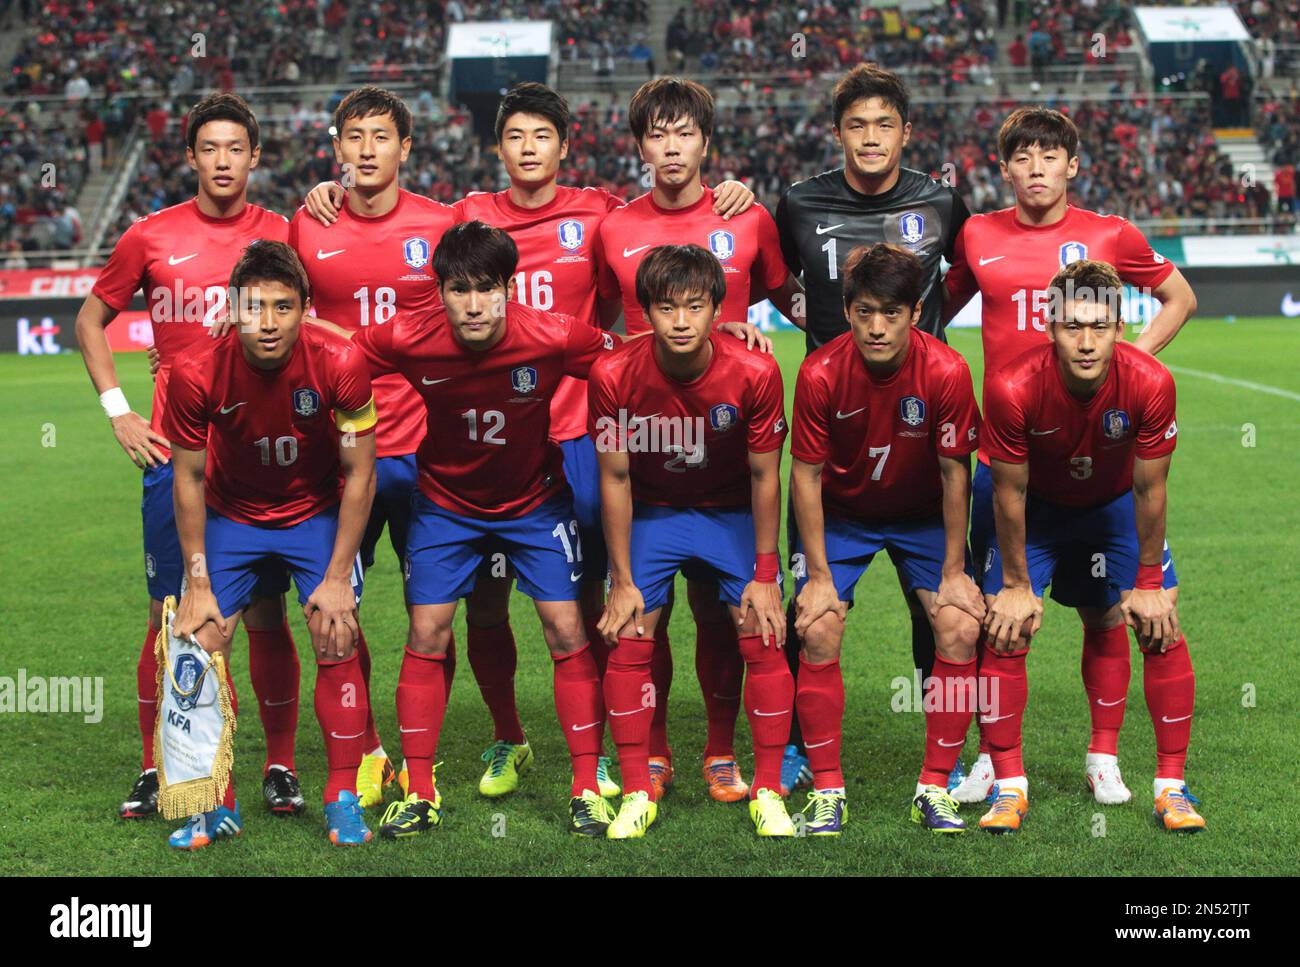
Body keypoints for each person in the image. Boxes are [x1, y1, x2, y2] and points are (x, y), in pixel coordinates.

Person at [302, 81, 760, 803]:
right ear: (496, 147)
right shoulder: (470, 217)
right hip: (493, 449)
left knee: (604, 600)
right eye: (513, 136)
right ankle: (510, 733)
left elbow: (676, 263)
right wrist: (339, 188)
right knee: (485, 605)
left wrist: (729, 214)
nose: (527, 149)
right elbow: (411, 241)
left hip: (591, 436)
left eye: (541, 136)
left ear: (564, 144)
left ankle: (622, 751)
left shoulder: (605, 213)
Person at [324, 220, 621, 838]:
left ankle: (587, 785)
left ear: (510, 288)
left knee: (567, 627)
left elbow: (630, 360)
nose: (475, 303)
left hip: (534, 501)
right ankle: (421, 788)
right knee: (427, 630)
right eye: (460, 289)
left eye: (487, 288)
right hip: (445, 504)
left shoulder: (552, 333)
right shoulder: (411, 335)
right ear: (440, 292)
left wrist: (721, 339)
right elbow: (345, 351)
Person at [943, 107, 1197, 806]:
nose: (1036, 168)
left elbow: (1178, 296)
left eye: (1049, 156)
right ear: (1004, 169)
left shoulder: (1109, 235)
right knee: (1001, 616)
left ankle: (1103, 757)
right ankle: (997, 761)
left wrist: (1131, 364)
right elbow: (935, 307)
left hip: (1101, 448)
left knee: (1106, 613)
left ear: (1073, 165)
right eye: (1021, 156)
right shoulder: (977, 232)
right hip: (1012, 451)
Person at [75, 92, 307, 822]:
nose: (223, 160)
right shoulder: (150, 237)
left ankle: (280, 764)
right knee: (168, 610)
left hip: (264, 457)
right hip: (177, 453)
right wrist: (119, 413)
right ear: (191, 157)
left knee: (266, 612)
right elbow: (90, 318)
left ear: (255, 156)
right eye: (210, 148)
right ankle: (157, 765)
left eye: (236, 148)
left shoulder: (284, 232)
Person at [596, 76, 802, 803]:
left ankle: (721, 751)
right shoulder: (614, 227)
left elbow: (790, 299)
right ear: (642, 144)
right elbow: (595, 321)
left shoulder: (747, 218)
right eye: (658, 133)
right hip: (644, 454)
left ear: (706, 143)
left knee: (724, 613)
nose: (672, 146)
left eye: (685, 132)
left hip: (726, 453)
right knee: (634, 614)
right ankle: (648, 751)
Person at [774, 62, 970, 795]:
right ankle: (795, 744)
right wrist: (805, 324)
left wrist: (935, 330)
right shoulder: (798, 202)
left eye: (884, 124)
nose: (870, 138)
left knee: (944, 615)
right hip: (838, 405)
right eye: (856, 125)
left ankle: (944, 745)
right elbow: (770, 274)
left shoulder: (941, 199)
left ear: (906, 132)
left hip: (921, 411)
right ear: (837, 134)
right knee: (810, 609)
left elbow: (971, 267)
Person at [977, 258, 1204, 835]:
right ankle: (1008, 786)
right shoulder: (1011, 386)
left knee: (1159, 623)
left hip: (1113, 508)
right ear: (1049, 327)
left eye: (1099, 326)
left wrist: (1150, 584)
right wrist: (1015, 586)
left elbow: (1151, 489)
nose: (1085, 341)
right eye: (1072, 326)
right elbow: (1009, 492)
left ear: (1120, 328)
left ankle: (1164, 784)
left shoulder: (1151, 382)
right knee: (1004, 627)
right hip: (1039, 512)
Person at [164, 240, 378, 848]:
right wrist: (198, 582)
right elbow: (188, 478)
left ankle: (341, 796)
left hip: (312, 513)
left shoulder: (340, 361)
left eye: (282, 307)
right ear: (231, 308)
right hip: (232, 516)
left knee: (335, 631)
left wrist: (338, 577)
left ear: (305, 309)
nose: (267, 322)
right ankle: (213, 802)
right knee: (200, 640)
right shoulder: (194, 370)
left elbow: (361, 474)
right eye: (253, 307)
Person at [288, 86, 456, 808]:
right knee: (335, 608)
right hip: (338, 451)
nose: (365, 149)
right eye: (352, 136)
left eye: (380, 137)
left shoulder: (445, 226)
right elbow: (271, 309)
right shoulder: (306, 223)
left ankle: (423, 758)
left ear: (406, 148)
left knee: (433, 617)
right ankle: (369, 749)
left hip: (426, 448)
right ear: (336, 147)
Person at [590, 244, 794, 838]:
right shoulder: (612, 375)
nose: (681, 321)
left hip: (727, 513)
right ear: (645, 311)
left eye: (695, 307)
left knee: (760, 628)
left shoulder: (755, 371)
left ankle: (764, 784)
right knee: (630, 631)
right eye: (666, 307)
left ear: (717, 309)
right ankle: (638, 784)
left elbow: (764, 475)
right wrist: (622, 581)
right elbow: (615, 476)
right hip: (653, 512)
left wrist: (764, 572)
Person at [791, 243, 983, 836]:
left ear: (917, 311)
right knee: (817, 626)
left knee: (958, 625)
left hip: (921, 515)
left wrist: (954, 572)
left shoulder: (946, 371)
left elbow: (957, 474)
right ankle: (827, 789)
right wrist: (819, 577)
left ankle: (936, 785)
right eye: (865, 311)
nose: (878, 328)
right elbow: (806, 475)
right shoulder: (819, 373)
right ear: (847, 310)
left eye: (892, 313)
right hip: (843, 516)